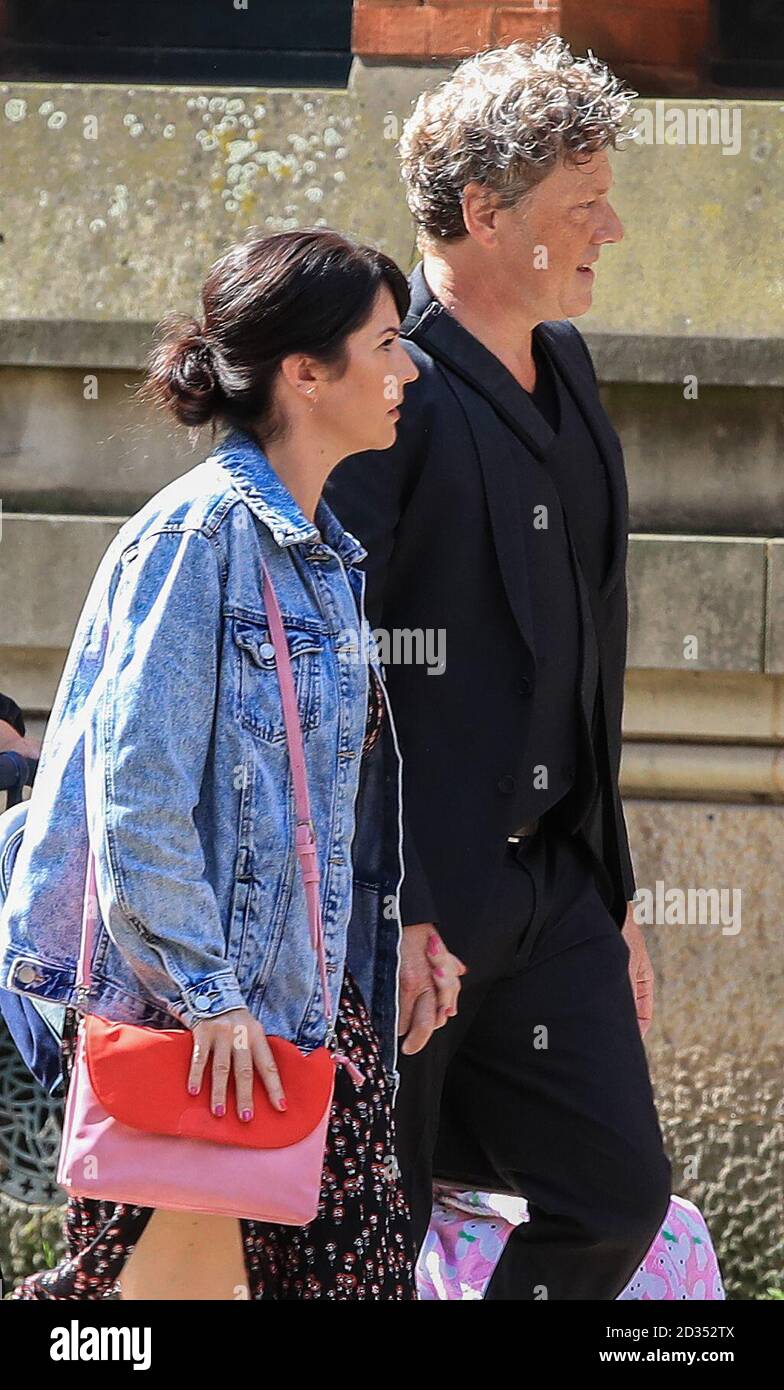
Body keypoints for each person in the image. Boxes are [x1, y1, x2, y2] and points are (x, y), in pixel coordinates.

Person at [0, 227, 463, 1300]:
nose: (408, 369)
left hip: (296, 1009)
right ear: (305, 372)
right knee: (139, 1308)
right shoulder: (197, 540)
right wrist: (208, 998)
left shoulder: (320, 558)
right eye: (387, 344)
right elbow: (138, 794)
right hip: (198, 1020)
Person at [324, 36, 674, 1299]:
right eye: (583, 207)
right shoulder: (385, 384)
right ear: (485, 213)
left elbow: (591, 646)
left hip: (556, 888)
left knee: (615, 1195)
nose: (612, 229)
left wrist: (613, 886)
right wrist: (402, 900)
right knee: (368, 1230)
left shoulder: (569, 367)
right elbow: (336, 666)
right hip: (412, 910)